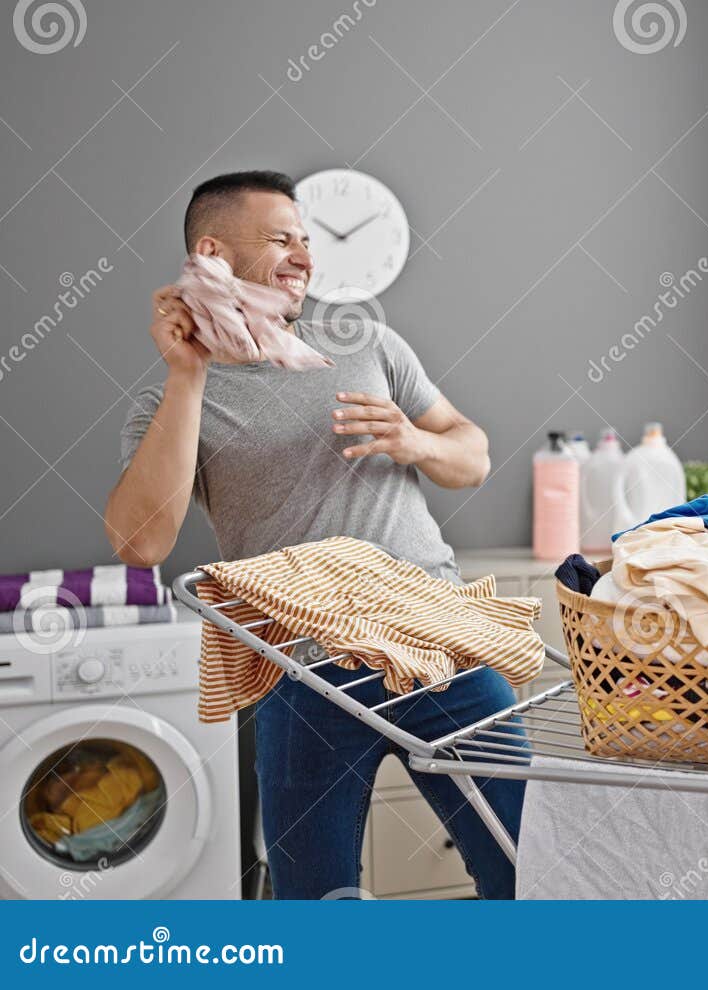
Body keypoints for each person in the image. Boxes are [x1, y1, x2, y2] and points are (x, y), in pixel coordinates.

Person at [105, 170, 523, 899]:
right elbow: (141, 543)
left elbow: (473, 454)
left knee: (531, 871)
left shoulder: (366, 344)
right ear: (212, 253)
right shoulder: (172, 398)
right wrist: (187, 376)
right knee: (315, 905)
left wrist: (415, 443)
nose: (304, 255)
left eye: (307, 239)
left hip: (437, 641)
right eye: (280, 239)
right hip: (300, 672)